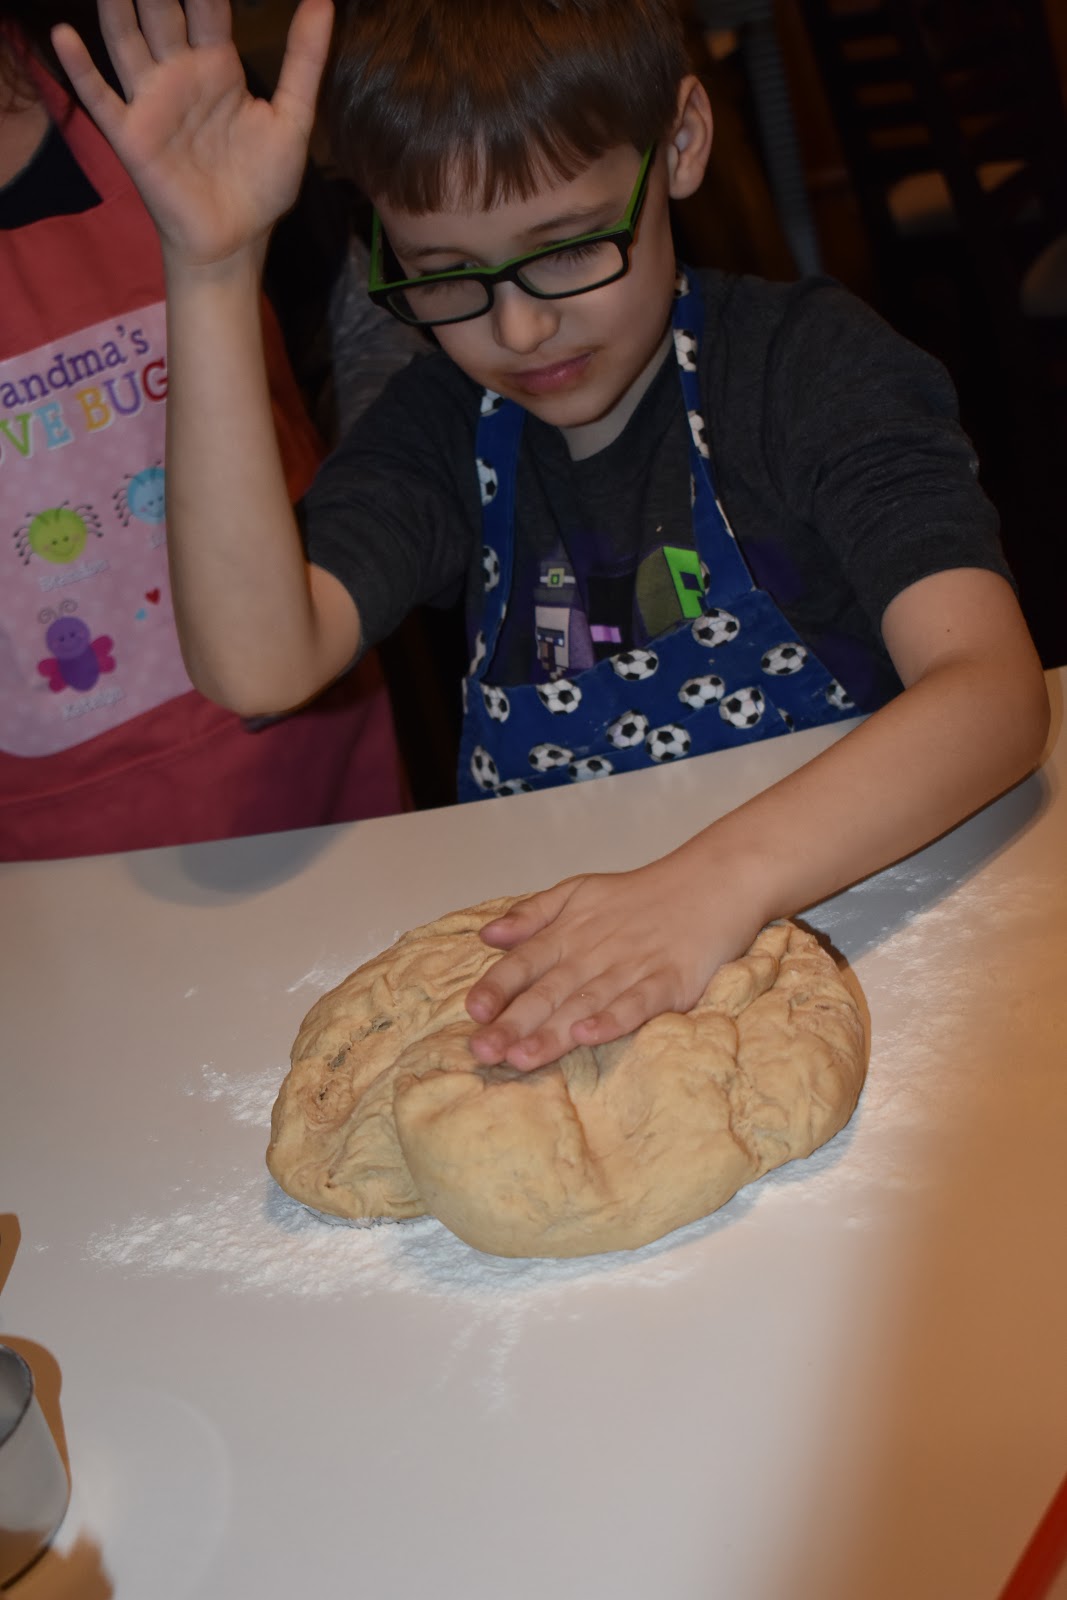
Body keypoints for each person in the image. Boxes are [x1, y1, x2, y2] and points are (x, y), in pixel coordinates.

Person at [53, 0, 1049, 1068]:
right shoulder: (442, 430)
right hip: (581, 995)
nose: (516, 330)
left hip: (866, 939)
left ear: (677, 145)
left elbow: (990, 694)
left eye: (568, 249)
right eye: (443, 272)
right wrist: (208, 272)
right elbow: (257, 663)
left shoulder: (807, 373)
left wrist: (702, 888)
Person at [0, 0, 416, 860]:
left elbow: (366, 328)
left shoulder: (145, 74)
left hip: (316, 789)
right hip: (40, 882)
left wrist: (382, 538)